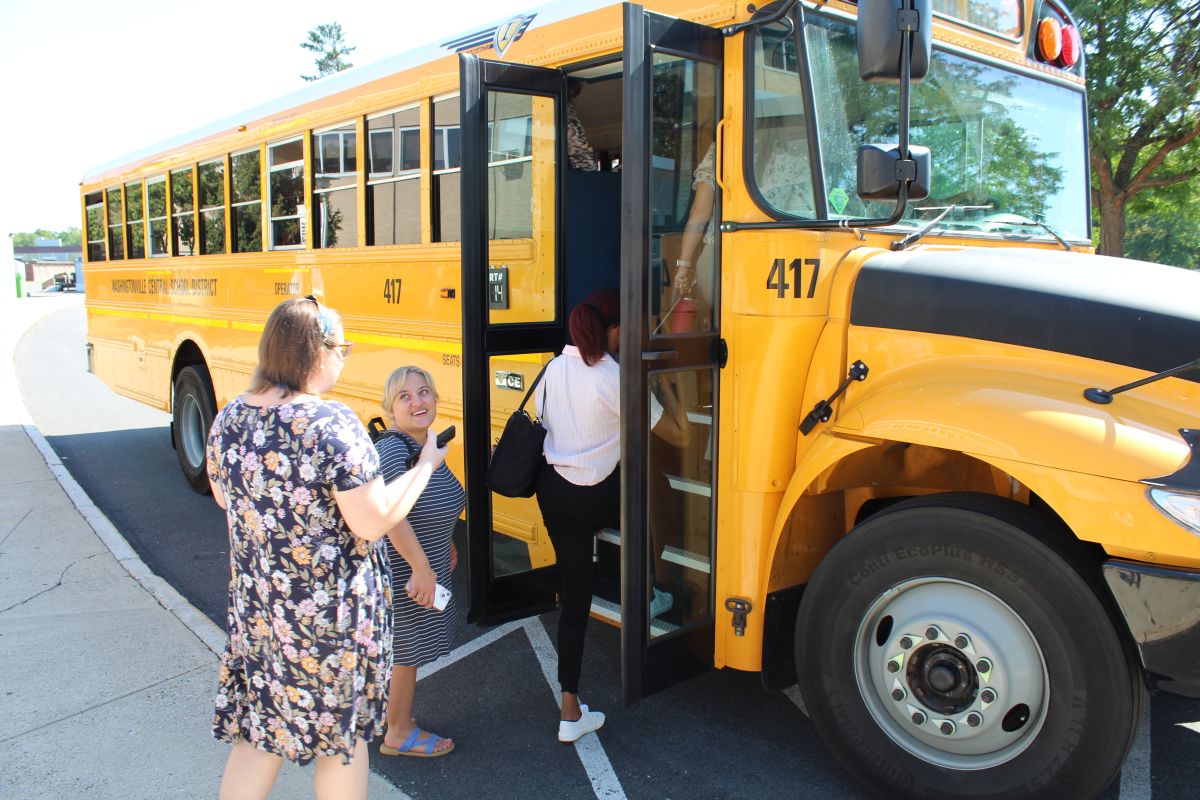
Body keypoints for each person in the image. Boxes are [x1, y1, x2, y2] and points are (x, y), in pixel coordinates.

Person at [205, 296, 447, 800]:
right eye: (342, 347)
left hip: (261, 613)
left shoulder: (229, 420)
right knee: (342, 742)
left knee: (258, 736)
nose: (344, 357)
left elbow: (225, 499)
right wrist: (425, 463)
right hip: (329, 621)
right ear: (315, 351)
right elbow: (372, 520)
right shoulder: (330, 424)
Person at [534, 288, 689, 743]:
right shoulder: (615, 378)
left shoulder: (554, 368)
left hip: (555, 495)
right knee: (651, 485)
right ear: (613, 330)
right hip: (597, 499)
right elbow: (680, 437)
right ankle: (651, 589)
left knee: (575, 599)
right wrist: (664, 388)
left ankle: (569, 708)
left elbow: (545, 421)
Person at [374, 366, 465, 758]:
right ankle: (398, 732)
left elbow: (429, 502)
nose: (418, 402)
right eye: (405, 396)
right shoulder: (394, 449)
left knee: (405, 652)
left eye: (424, 392)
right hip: (404, 571)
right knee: (405, 654)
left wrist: (443, 542)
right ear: (390, 407)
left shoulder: (425, 443)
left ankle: (394, 719)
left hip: (423, 560)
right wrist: (421, 567)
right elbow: (392, 514)